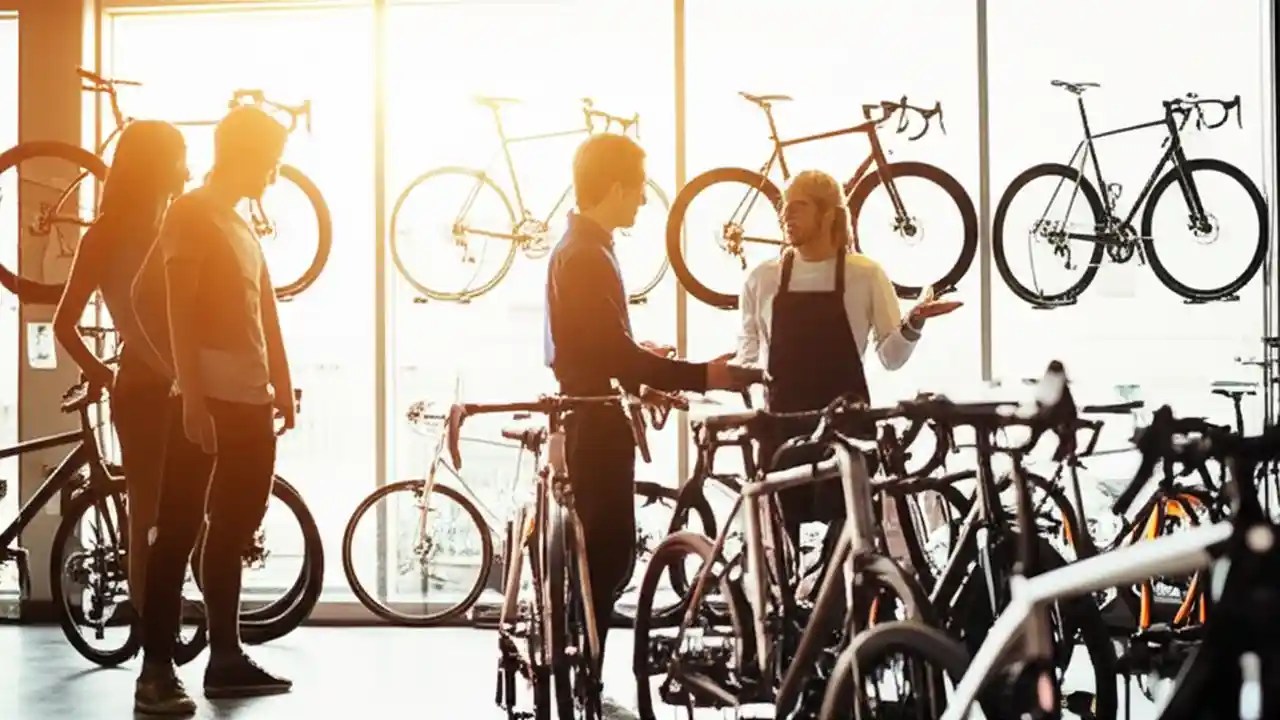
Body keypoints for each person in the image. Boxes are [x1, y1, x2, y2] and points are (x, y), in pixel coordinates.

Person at [544, 133, 755, 719]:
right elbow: (610, 354)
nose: (641, 201)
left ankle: (583, 678)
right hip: (596, 424)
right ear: (615, 187)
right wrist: (707, 375)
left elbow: (600, 348)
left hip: (593, 414)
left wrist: (641, 365)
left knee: (601, 561)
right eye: (637, 189)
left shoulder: (582, 246)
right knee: (607, 560)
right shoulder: (586, 254)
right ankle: (584, 681)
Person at [130, 106, 296, 715]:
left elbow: (265, 308)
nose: (274, 176)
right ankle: (155, 673)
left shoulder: (238, 222)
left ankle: (225, 659)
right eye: (272, 162)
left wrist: (281, 382)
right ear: (248, 155)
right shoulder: (192, 213)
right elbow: (164, 301)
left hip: (251, 402)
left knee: (231, 530)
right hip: (207, 404)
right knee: (176, 531)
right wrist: (189, 393)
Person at [0, 120, 187, 631]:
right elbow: (64, 322)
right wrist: (103, 372)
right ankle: (155, 642)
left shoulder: (174, 225)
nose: (186, 169)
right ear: (157, 166)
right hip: (146, 390)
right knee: (146, 514)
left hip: (183, 386)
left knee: (178, 515)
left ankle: (163, 628)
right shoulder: (108, 233)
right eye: (179, 157)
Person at [735, 169, 961, 546]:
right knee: (782, 544)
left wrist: (914, 321)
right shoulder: (761, 279)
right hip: (782, 432)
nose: (785, 216)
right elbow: (748, 357)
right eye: (783, 209)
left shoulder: (866, 275)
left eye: (798, 207)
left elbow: (890, 357)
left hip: (847, 433)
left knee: (851, 542)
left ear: (828, 214)